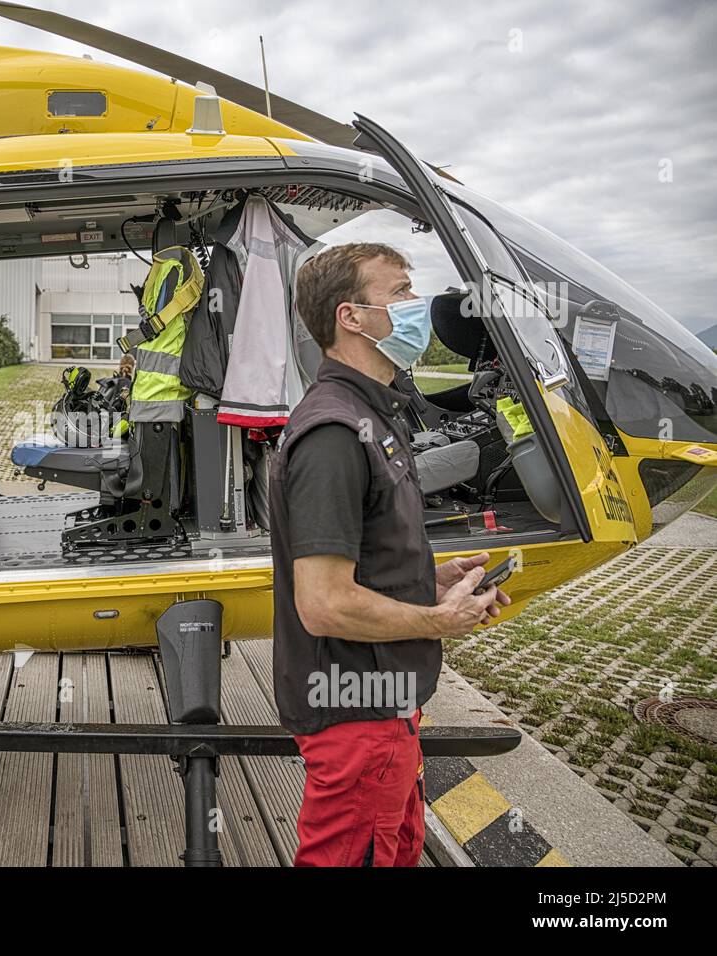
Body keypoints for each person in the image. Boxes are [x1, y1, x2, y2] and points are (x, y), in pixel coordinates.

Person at [269, 242, 511, 867]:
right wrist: (439, 621)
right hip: (357, 710)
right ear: (350, 317)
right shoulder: (332, 435)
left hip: (388, 701)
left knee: (397, 849)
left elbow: (363, 559)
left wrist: (430, 581)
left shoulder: (373, 415)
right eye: (400, 292)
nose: (415, 306)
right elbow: (323, 605)